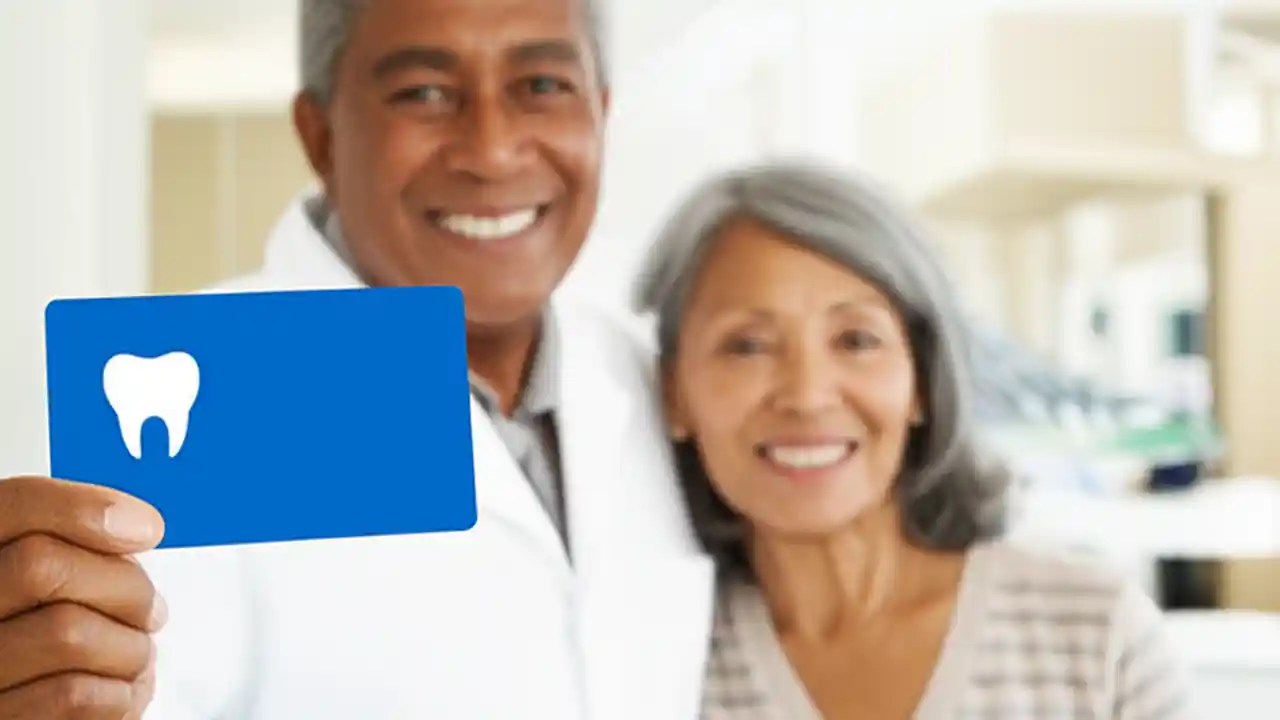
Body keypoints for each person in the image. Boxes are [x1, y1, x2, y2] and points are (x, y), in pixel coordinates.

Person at [0, 0, 715, 718]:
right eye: (424, 94)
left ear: (601, 113)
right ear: (320, 137)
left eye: (542, 86)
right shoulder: (174, 408)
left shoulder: (661, 378)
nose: (493, 150)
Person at [633, 162, 1199, 719]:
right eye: (747, 346)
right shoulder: (651, 669)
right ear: (675, 394)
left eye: (855, 340)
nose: (806, 395)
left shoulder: (1097, 639)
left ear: (923, 380)